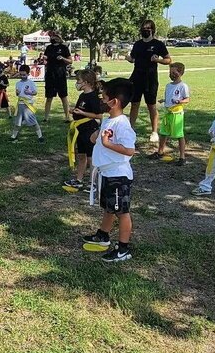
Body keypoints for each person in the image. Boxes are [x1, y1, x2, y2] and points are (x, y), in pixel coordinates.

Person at [81, 78, 137, 263]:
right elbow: (96, 139)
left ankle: (123, 248)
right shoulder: (107, 119)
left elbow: (129, 150)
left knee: (121, 211)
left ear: (115, 102)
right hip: (106, 174)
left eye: (104, 98)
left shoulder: (122, 124)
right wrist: (96, 137)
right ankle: (103, 235)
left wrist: (107, 143)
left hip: (118, 176)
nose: (101, 101)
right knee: (109, 208)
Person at [127, 19, 172, 144]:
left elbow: (168, 60)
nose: (145, 31)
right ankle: (131, 129)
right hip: (136, 77)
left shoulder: (158, 44)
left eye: (147, 29)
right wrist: (128, 58)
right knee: (134, 104)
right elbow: (133, 59)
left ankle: (154, 132)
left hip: (150, 79)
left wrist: (158, 60)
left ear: (152, 30)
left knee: (151, 105)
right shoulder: (137, 44)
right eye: (143, 29)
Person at [63, 69, 102, 192]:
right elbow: (80, 109)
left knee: (91, 157)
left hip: (89, 130)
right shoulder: (82, 95)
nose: (77, 83)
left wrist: (83, 113)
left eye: (78, 81)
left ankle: (93, 182)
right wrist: (74, 110)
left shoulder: (94, 97)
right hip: (80, 129)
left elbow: (99, 115)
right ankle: (78, 180)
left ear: (86, 82)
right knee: (81, 155)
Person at [154, 62, 189, 163]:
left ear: (180, 72)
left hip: (177, 113)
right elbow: (169, 97)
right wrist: (164, 100)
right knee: (163, 133)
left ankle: (182, 157)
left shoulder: (183, 86)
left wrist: (180, 101)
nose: (171, 74)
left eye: (174, 72)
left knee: (179, 134)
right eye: (170, 72)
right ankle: (160, 152)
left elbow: (187, 99)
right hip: (167, 112)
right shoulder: (168, 85)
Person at [42, 32, 72, 122]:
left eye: (55, 37)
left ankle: (67, 117)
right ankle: (46, 117)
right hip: (50, 75)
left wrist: (63, 58)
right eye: (52, 37)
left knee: (63, 96)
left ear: (59, 38)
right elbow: (46, 58)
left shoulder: (64, 48)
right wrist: (44, 59)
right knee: (49, 97)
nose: (53, 38)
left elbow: (70, 61)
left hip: (60, 74)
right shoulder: (49, 48)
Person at [12, 63, 43, 143]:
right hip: (20, 104)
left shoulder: (31, 83)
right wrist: (17, 92)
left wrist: (30, 92)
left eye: (24, 75)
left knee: (33, 121)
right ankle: (13, 136)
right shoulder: (18, 83)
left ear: (28, 74)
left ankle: (40, 136)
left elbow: (35, 92)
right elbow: (17, 94)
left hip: (28, 105)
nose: (22, 76)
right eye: (21, 74)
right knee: (17, 121)